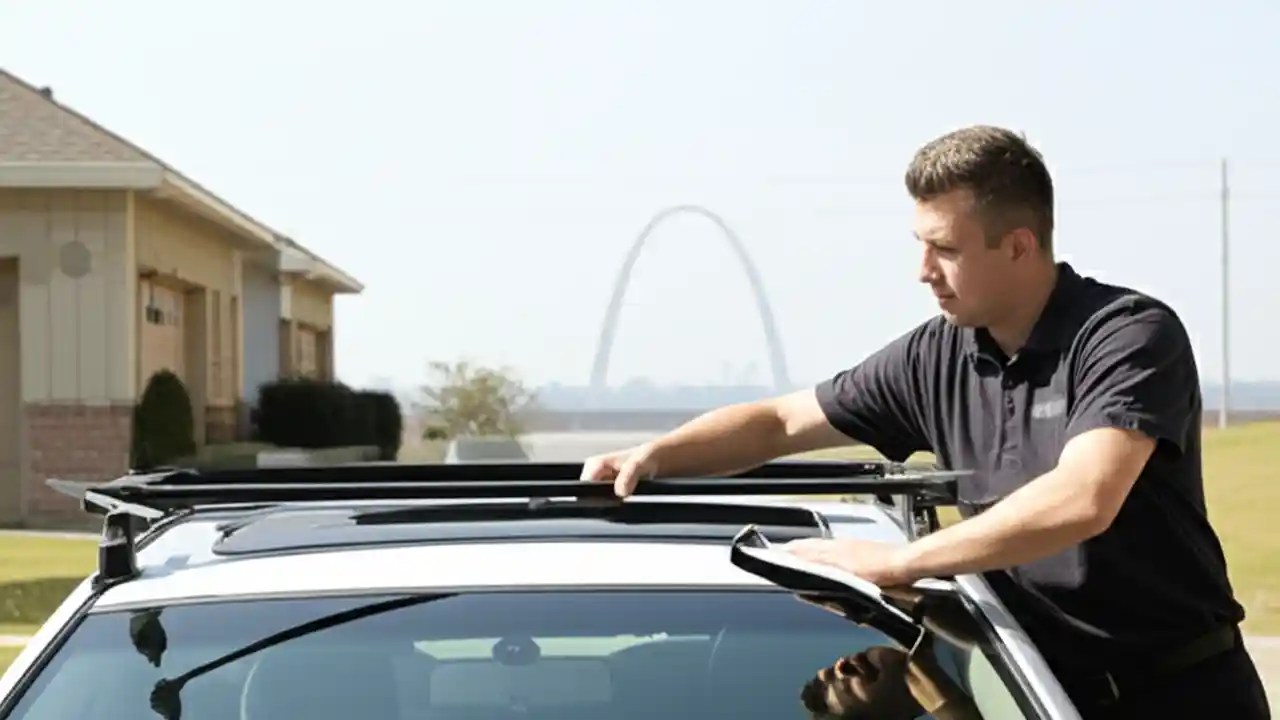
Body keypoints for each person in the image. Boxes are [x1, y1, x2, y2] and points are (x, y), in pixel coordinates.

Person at [580, 125, 1271, 718]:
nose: (922, 271)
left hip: (1182, 695)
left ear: (1019, 246)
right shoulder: (935, 355)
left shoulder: (1126, 335)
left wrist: (898, 562)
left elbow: (1084, 498)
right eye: (920, 244)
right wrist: (657, 454)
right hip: (1034, 693)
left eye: (945, 249)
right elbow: (782, 423)